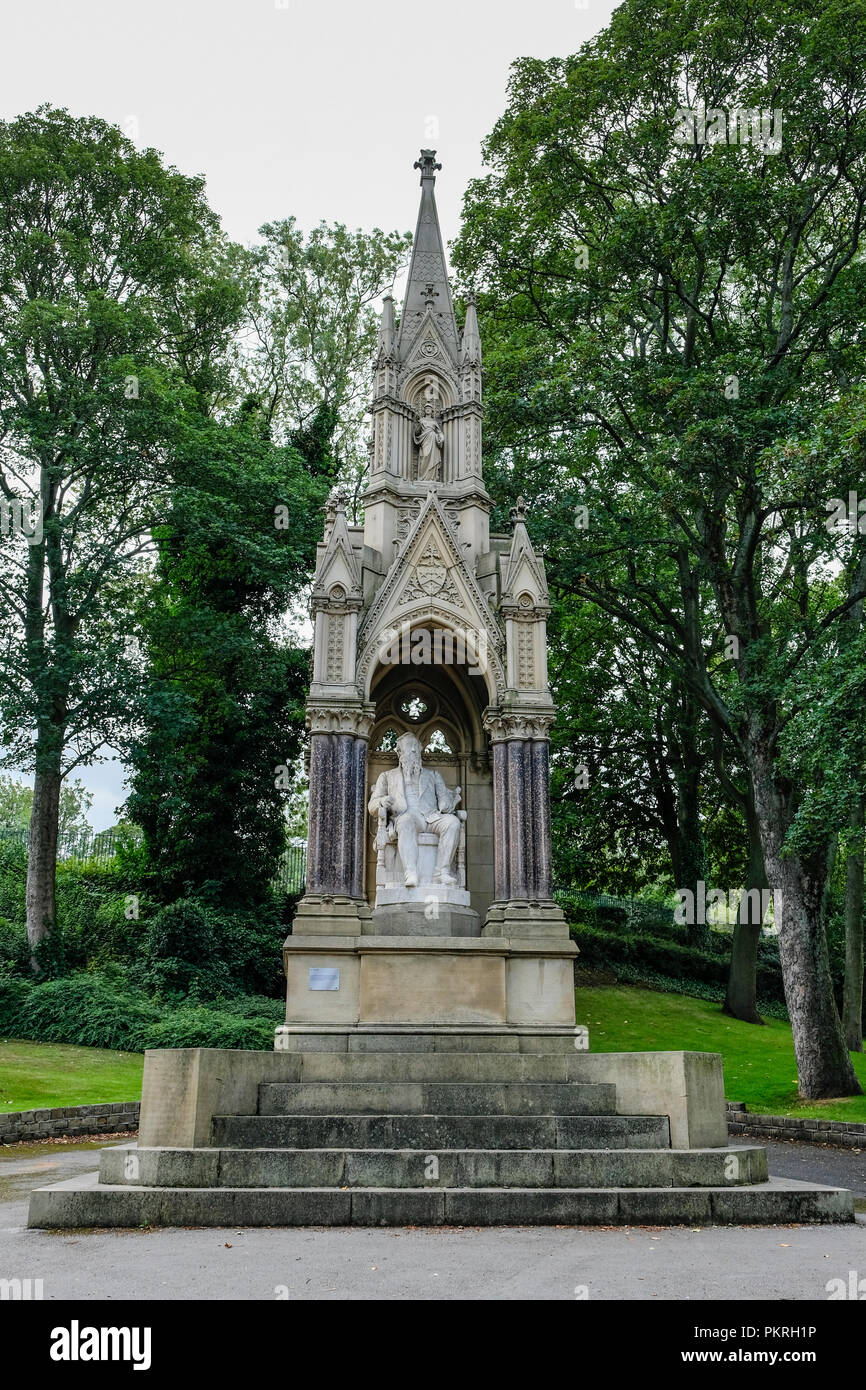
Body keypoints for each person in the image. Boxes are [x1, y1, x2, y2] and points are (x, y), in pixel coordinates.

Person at [369, 732, 465, 887]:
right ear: (399, 752)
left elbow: (444, 801)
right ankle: (410, 872)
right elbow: (372, 805)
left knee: (452, 822)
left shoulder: (433, 775)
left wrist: (446, 803)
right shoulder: (387, 776)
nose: (413, 751)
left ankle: (441, 872)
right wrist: (382, 801)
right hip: (406, 816)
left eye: (416, 747)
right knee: (406, 822)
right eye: (409, 747)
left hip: (431, 817)